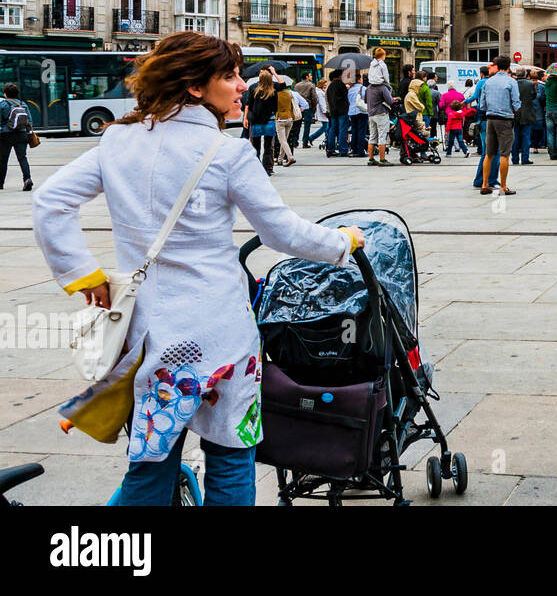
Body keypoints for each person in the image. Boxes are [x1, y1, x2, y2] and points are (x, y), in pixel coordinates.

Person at [32, 31, 365, 506]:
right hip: (219, 332)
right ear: (194, 86)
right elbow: (282, 233)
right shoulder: (227, 153)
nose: (241, 85)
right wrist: (344, 241)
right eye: (229, 76)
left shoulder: (118, 140)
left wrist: (85, 275)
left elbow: (50, 201)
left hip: (151, 331)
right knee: (230, 456)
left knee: (151, 463)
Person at [479, 55, 522, 195]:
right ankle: (503, 186)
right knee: (504, 154)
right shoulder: (511, 82)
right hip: (505, 120)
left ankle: (485, 184)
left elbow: (482, 105)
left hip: (490, 119)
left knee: (489, 153)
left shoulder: (488, 82)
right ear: (509, 67)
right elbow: (516, 103)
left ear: (497, 66)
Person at [242, 70, 278, 175]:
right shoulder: (273, 91)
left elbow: (248, 104)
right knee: (268, 146)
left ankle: (256, 166)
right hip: (269, 120)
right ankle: (268, 167)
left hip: (255, 120)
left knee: (255, 144)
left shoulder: (253, 88)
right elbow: (275, 107)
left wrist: (245, 118)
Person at [0, 82, 34, 191]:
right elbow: (30, 121)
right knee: (22, 158)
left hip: (6, 135)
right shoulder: (23, 104)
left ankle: (0, 183)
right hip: (21, 134)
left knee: (3, 160)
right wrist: (28, 132)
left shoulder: (3, 105)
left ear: (5, 94)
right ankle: (27, 179)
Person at [365, 75, 395, 166]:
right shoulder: (382, 88)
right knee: (382, 136)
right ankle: (382, 160)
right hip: (381, 114)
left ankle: (370, 159)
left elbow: (366, 100)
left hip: (371, 115)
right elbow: (390, 101)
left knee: (372, 136)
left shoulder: (368, 88)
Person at [511, 68, 537, 165]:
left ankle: (514, 158)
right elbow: (534, 96)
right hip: (527, 113)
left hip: (515, 113)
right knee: (526, 137)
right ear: (525, 74)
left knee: (515, 137)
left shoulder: (512, 83)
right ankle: (525, 158)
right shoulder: (530, 84)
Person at [347, 75, 369, 158]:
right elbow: (367, 99)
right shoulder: (363, 88)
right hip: (362, 111)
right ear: (359, 79)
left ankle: (354, 149)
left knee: (354, 131)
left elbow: (348, 100)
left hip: (352, 112)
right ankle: (360, 151)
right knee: (362, 131)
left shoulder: (350, 90)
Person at [294, 75, 318, 148]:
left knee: (297, 125)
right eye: (310, 75)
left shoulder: (297, 85)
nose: (311, 76)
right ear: (307, 77)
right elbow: (314, 97)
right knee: (307, 126)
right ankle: (305, 142)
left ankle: (295, 142)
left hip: (298, 107)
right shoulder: (311, 85)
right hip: (308, 107)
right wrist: (314, 106)